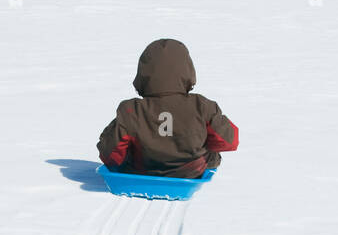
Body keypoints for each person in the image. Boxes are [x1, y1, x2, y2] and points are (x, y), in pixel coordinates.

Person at [98, 39, 239, 179]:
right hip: (192, 172)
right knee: (211, 153)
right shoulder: (201, 106)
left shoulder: (131, 111)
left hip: (142, 172)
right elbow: (229, 141)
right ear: (187, 71)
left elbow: (109, 153)